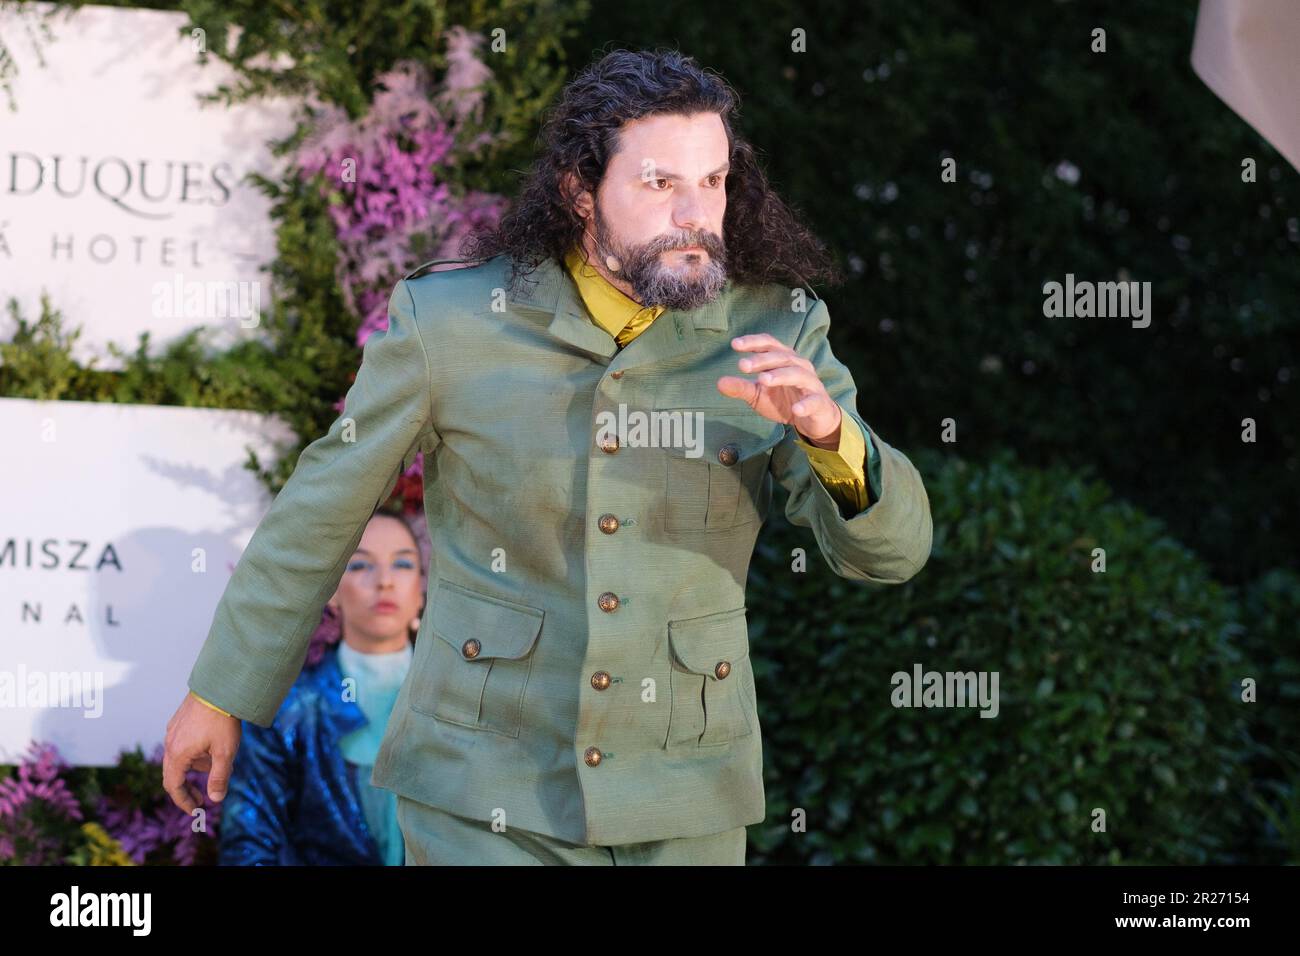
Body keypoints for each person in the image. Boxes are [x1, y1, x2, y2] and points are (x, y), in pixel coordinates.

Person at [164, 47, 933, 866]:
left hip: (685, 790)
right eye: (660, 183)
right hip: (478, 785)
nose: (695, 213)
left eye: (712, 181)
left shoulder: (778, 328)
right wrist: (221, 694)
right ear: (580, 190)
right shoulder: (452, 321)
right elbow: (322, 509)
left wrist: (829, 438)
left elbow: (892, 555)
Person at [214, 508, 426, 865]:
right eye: (360, 565)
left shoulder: (464, 703)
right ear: (332, 590)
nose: (385, 581)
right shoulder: (287, 709)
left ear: (422, 588)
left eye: (402, 565)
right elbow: (248, 846)